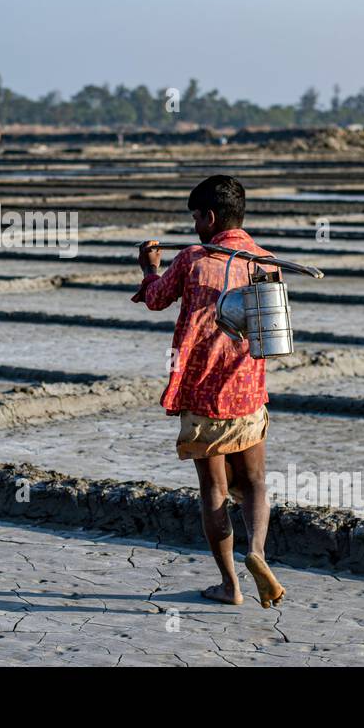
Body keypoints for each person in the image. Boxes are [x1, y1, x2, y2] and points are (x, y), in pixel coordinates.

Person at [133, 174, 286, 609]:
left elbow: (158, 298)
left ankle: (229, 585)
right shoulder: (266, 262)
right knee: (255, 482)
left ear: (211, 217)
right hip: (249, 394)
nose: (195, 225)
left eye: (196, 217)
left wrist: (148, 269)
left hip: (203, 397)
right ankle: (256, 552)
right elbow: (271, 333)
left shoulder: (194, 259)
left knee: (215, 490)